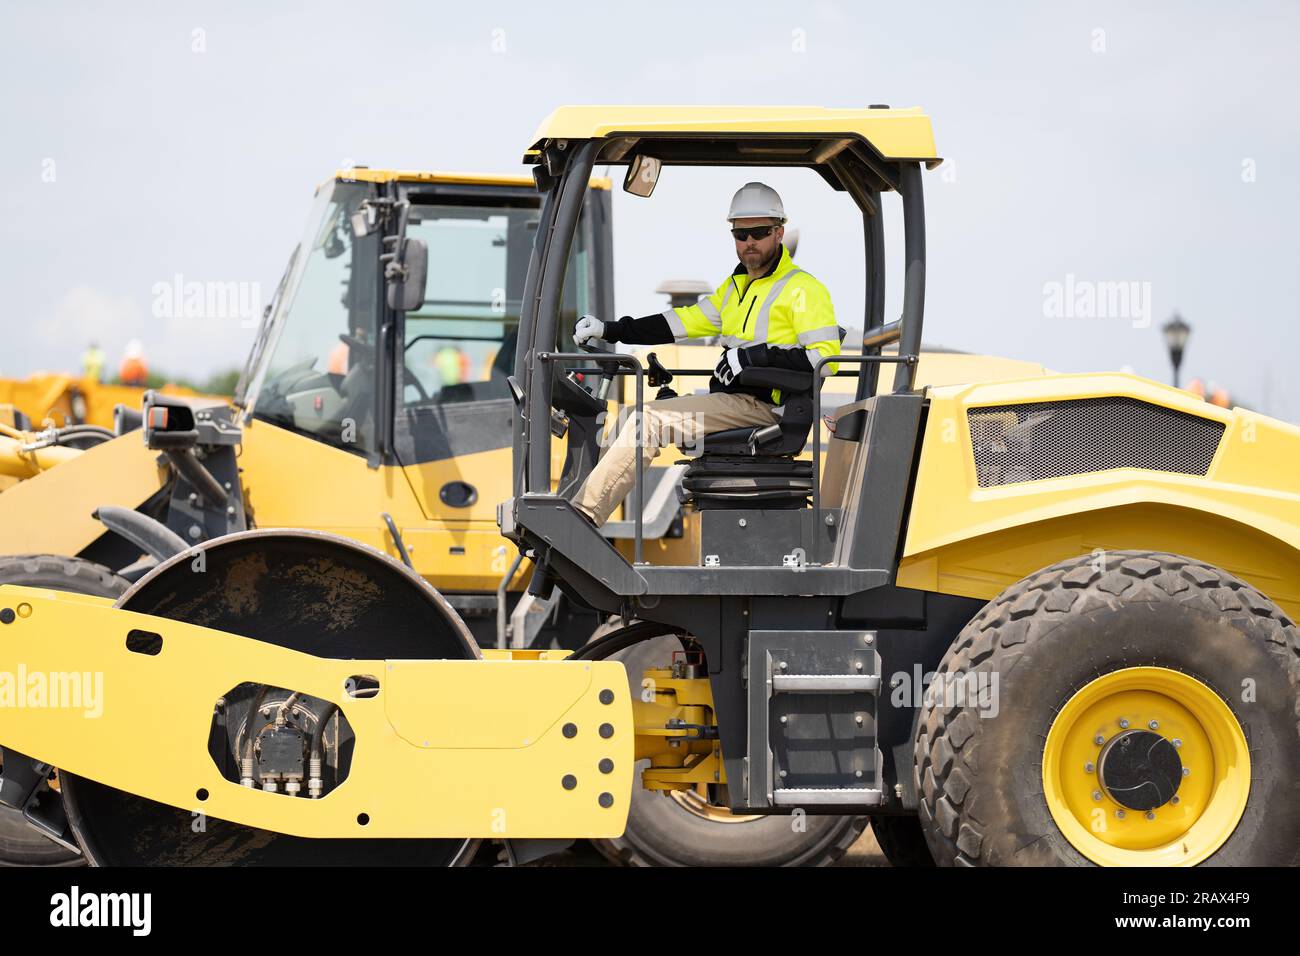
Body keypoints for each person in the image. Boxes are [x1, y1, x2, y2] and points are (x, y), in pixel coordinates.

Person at [570, 182, 839, 526]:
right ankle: (587, 512)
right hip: (734, 403)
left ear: (779, 232)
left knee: (645, 423)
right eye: (741, 234)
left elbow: (824, 362)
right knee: (627, 418)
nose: (749, 242)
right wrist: (611, 329)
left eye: (759, 232)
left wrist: (753, 359)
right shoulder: (735, 288)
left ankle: (581, 519)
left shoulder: (804, 289)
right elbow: (677, 322)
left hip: (767, 408)